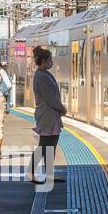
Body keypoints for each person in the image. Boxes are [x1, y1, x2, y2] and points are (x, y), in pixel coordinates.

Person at [30, 45, 67, 186]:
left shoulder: (43, 74)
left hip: (49, 114)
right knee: (45, 145)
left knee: (50, 145)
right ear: (44, 60)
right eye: (50, 60)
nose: (52, 62)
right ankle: (31, 173)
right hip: (47, 114)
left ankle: (49, 175)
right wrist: (62, 109)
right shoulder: (42, 76)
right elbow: (50, 97)